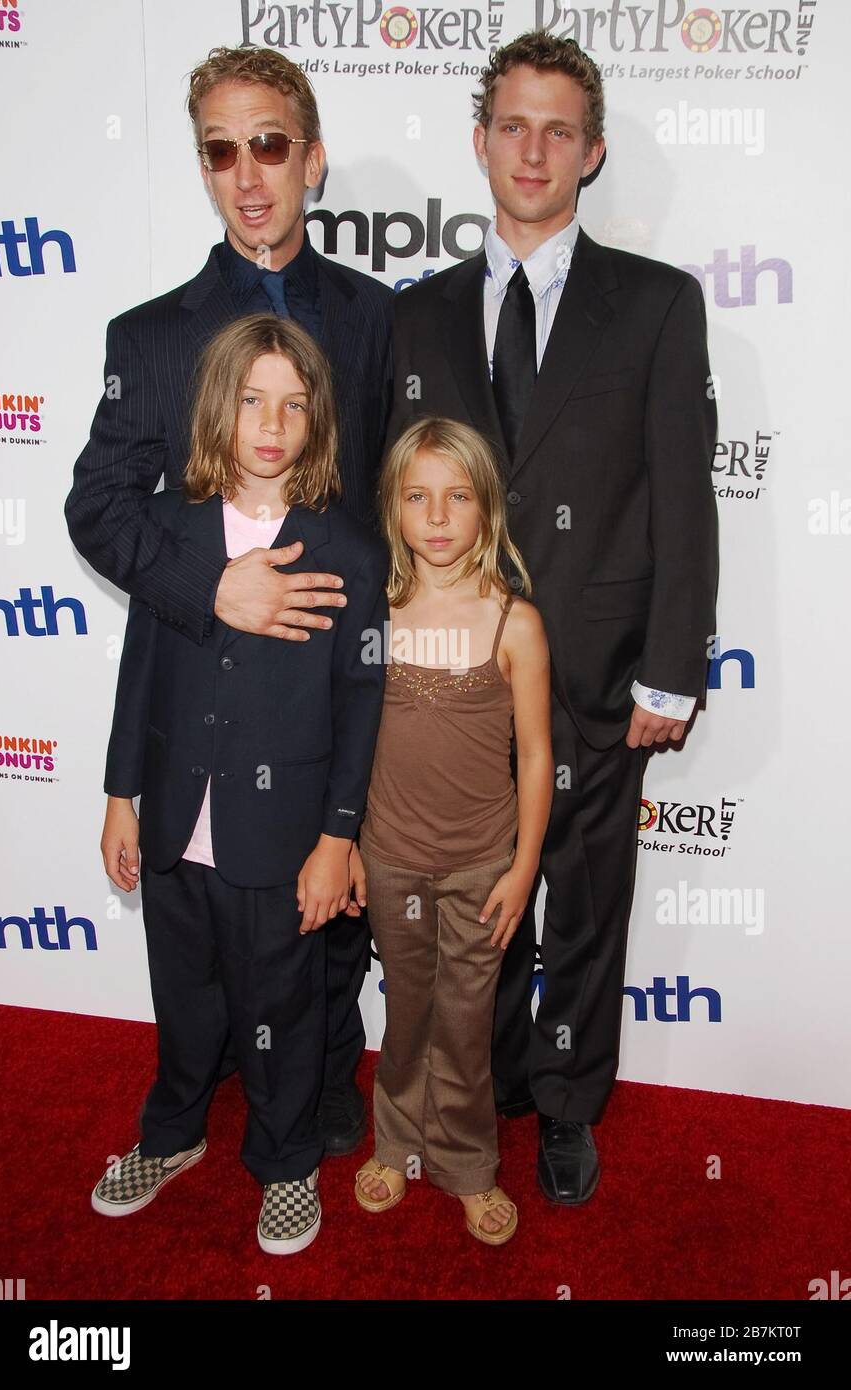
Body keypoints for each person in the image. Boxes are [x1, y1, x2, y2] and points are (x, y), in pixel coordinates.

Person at [384, 32, 719, 1205]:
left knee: (578, 895)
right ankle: (480, 1079)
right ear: (479, 142)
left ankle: (568, 1100)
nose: (532, 149)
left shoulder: (657, 305)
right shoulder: (413, 314)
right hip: (443, 681)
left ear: (591, 152)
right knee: (466, 895)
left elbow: (683, 490)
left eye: (556, 130)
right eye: (511, 125)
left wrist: (672, 667)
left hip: (594, 660)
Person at [66, 45, 394, 1155]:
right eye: (220, 150)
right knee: (198, 929)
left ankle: (318, 1074)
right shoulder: (149, 337)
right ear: (203, 169)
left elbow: (405, 501)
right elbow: (97, 510)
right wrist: (211, 586)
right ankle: (199, 1089)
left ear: (310, 158)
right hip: (198, 692)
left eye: (268, 144)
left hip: (332, 698)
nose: (247, 173)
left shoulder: (376, 320)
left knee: (326, 909)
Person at [90, 315, 388, 1253]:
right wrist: (119, 796)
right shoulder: (171, 531)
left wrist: (337, 839)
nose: (272, 421)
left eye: (294, 404)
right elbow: (141, 669)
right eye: (253, 399)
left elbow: (361, 704)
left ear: (317, 422)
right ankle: (172, 1134)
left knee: (283, 1009)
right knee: (184, 999)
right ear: (218, 409)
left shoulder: (349, 550)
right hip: (177, 822)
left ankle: (288, 1157)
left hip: (283, 834)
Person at [353, 418, 553, 1244]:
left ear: (487, 509)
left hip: (482, 868)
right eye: (417, 497)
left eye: (458, 497)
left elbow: (538, 760)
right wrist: (350, 848)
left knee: (467, 1025)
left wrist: (522, 868)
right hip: (389, 859)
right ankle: (395, 1141)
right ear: (394, 508)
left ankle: (469, 1164)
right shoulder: (373, 611)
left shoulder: (517, 624)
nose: (437, 516)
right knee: (406, 1018)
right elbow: (344, 743)